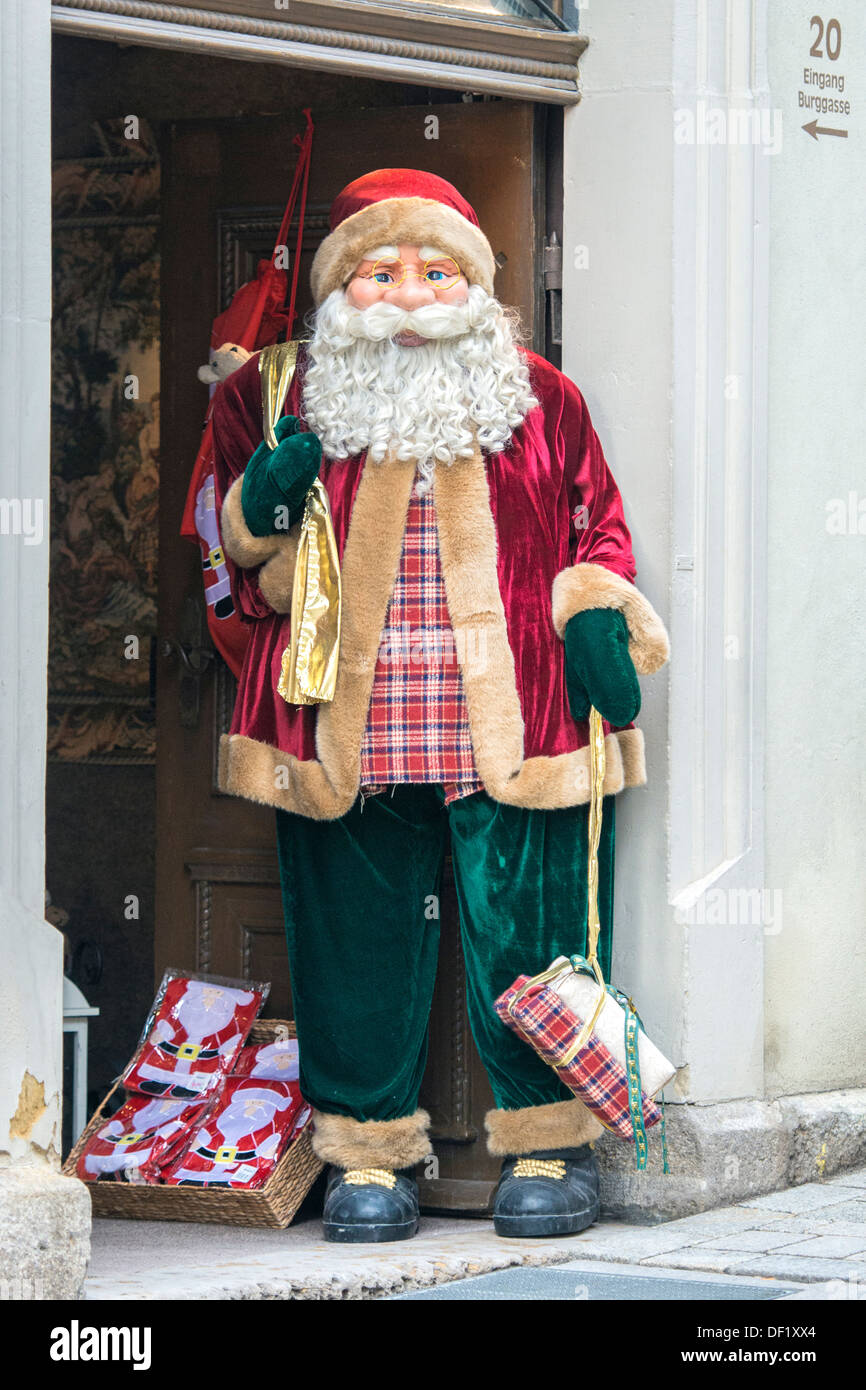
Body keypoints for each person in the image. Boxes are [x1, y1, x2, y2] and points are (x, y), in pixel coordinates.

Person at [212, 169, 669, 1242]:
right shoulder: (269, 398)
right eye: (380, 271)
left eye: (433, 270)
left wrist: (599, 613)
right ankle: (367, 1155)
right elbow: (236, 561)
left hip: (512, 715)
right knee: (354, 936)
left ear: (473, 283)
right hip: (342, 723)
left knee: (534, 933)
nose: (408, 293)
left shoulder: (539, 396)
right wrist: (262, 505)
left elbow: (593, 520)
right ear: (341, 288)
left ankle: (547, 1140)